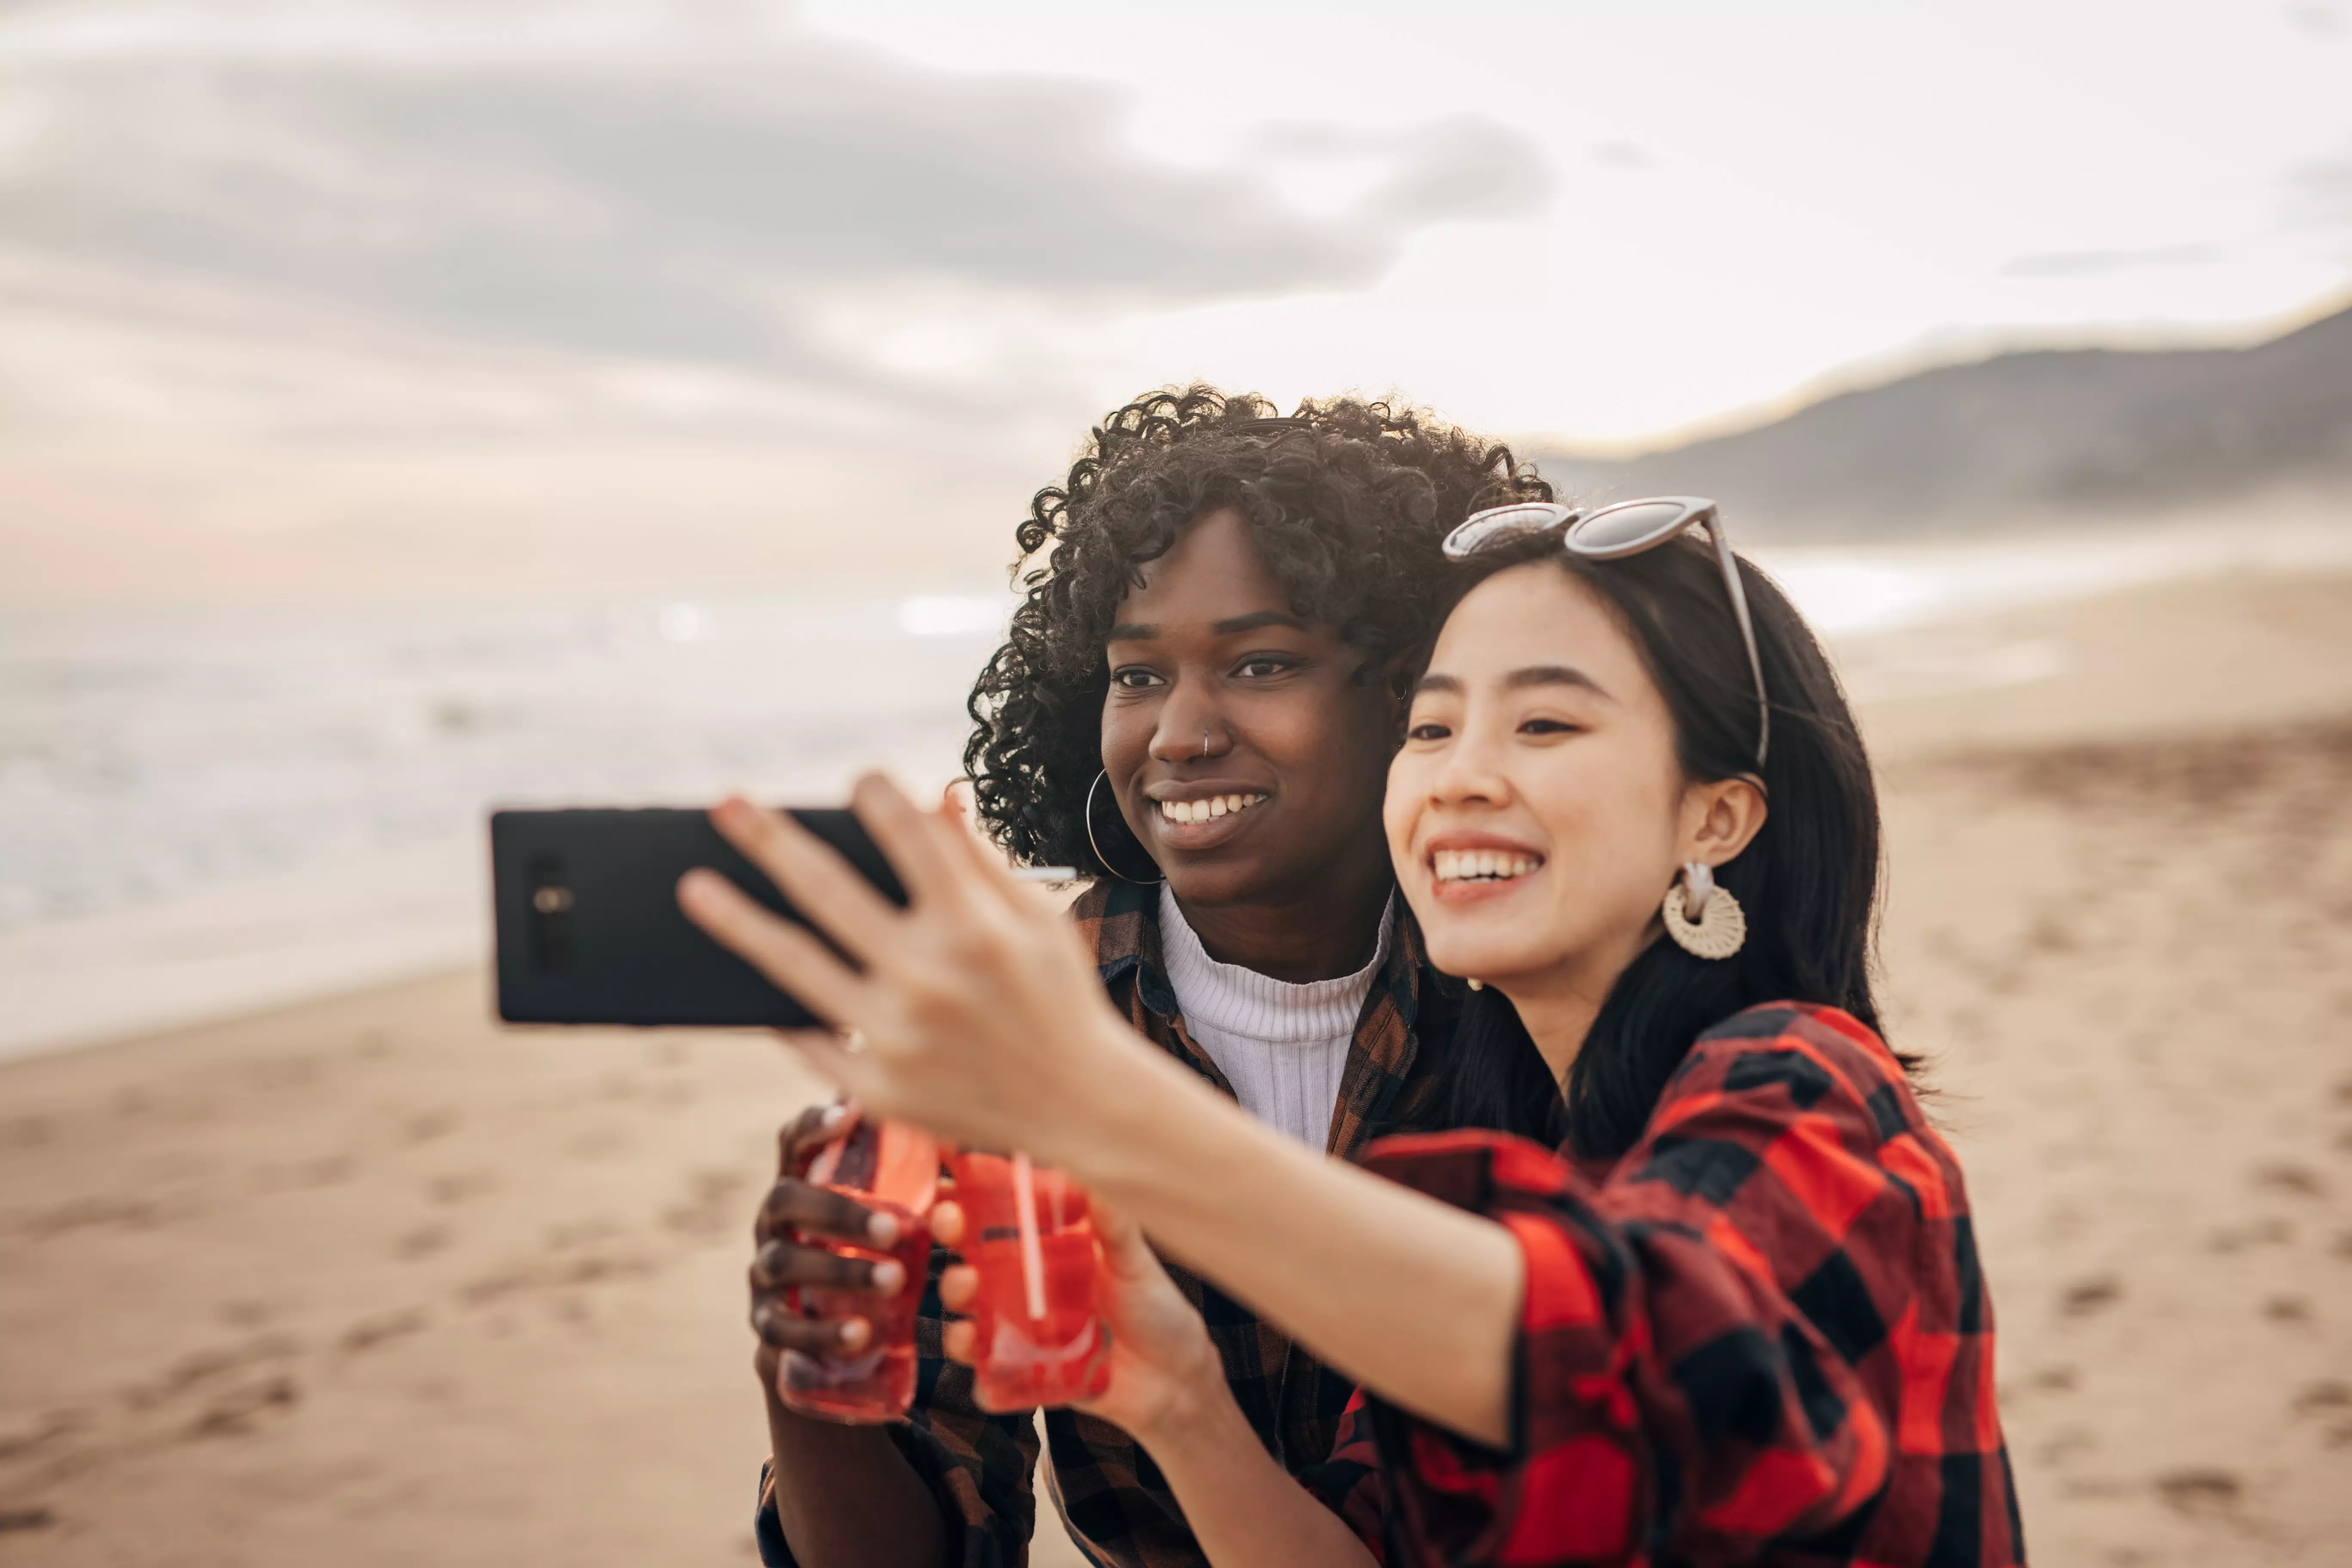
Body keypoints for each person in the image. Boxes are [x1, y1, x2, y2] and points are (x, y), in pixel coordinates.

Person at [683, 496, 2024, 1565]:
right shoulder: (1506, 1116)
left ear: (1715, 817)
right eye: (1439, 728)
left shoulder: (1799, 1085)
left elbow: (1626, 1358)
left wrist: (1089, 1102)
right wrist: (1179, 1405)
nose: (1463, 775)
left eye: (1545, 721)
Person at [729, 387, 1553, 1568]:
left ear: (1418, 692)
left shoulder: (1546, 987)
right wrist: (813, 1373)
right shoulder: (1007, 1024)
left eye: (1261, 664)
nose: (1177, 735)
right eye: (1137, 675)